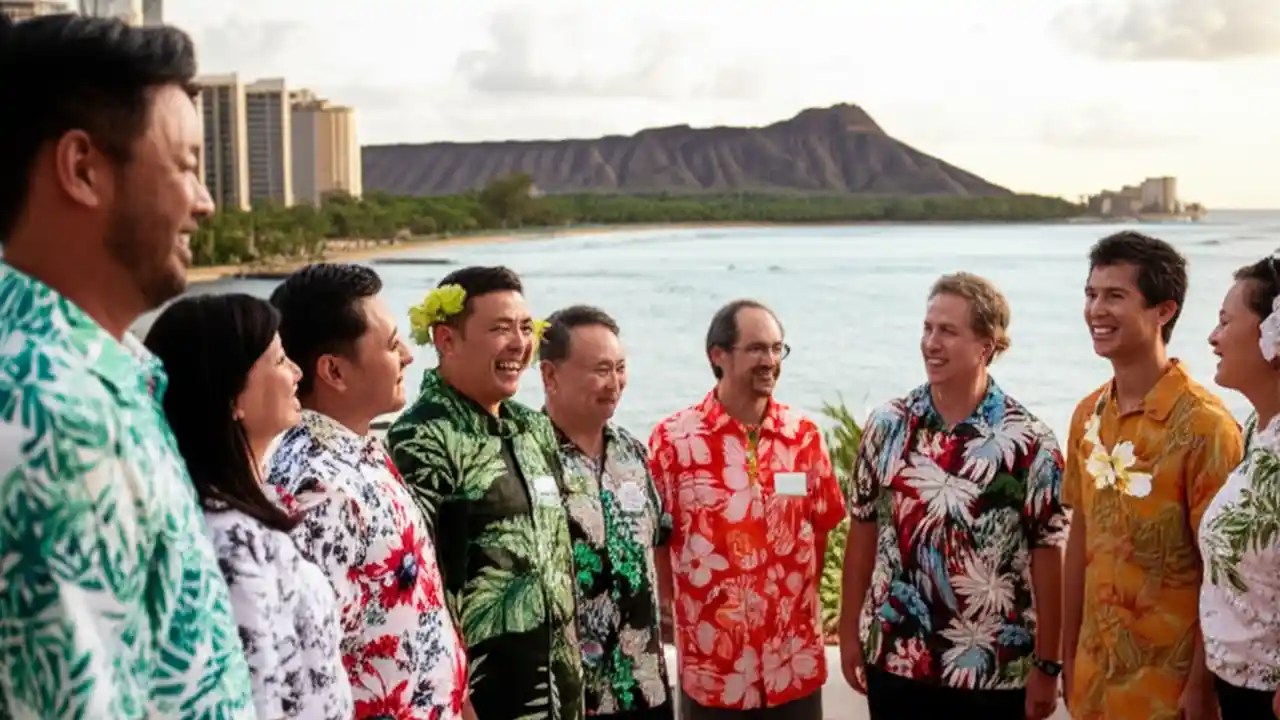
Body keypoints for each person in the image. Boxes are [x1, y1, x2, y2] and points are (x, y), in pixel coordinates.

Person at [0, 13, 253, 717]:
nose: (205, 203)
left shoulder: (103, 374)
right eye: (188, 167)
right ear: (83, 169)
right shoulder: (58, 416)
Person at [837, 272, 1067, 719]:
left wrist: (1049, 662)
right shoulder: (887, 425)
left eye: (948, 331)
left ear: (987, 346)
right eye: (927, 328)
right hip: (896, 659)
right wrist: (850, 632)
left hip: (994, 670)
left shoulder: (1031, 442)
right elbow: (862, 530)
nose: (931, 342)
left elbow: (1047, 554)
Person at [265, 263, 470, 720]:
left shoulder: (359, 454)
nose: (407, 356)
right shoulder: (318, 489)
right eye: (391, 343)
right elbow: (309, 667)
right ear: (334, 371)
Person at [387, 266, 585, 720]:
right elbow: (416, 587)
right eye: (499, 328)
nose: (520, 343)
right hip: (480, 701)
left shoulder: (533, 427)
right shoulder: (420, 438)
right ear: (446, 340)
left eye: (524, 327)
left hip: (561, 694)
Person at [144, 293, 353, 720]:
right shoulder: (228, 539)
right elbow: (258, 693)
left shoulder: (249, 505)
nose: (296, 372)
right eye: (279, 361)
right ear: (233, 395)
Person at [1062, 231, 1244, 720]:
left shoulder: (1206, 427)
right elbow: (1080, 538)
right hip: (1094, 684)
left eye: (1115, 296)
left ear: (1164, 311)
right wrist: (1066, 655)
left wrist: (1201, 687)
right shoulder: (1087, 416)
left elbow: (1222, 571)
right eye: (1091, 294)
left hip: (1170, 694)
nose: (1096, 310)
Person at [648, 299, 845, 720]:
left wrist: (798, 600)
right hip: (713, 669)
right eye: (757, 348)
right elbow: (657, 538)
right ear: (718, 355)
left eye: (777, 348)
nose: (770, 360)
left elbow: (823, 524)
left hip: (793, 664)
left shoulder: (804, 436)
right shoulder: (673, 441)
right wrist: (672, 606)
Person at [539, 305, 674, 720]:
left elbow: (657, 543)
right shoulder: (527, 456)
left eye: (619, 368)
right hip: (570, 695)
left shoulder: (633, 453)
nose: (614, 383)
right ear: (550, 375)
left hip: (644, 686)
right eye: (600, 369)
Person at [1199, 253, 1280, 719]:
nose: (1213, 337)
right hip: (1234, 688)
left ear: (1272, 339)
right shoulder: (1254, 429)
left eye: (1226, 322)